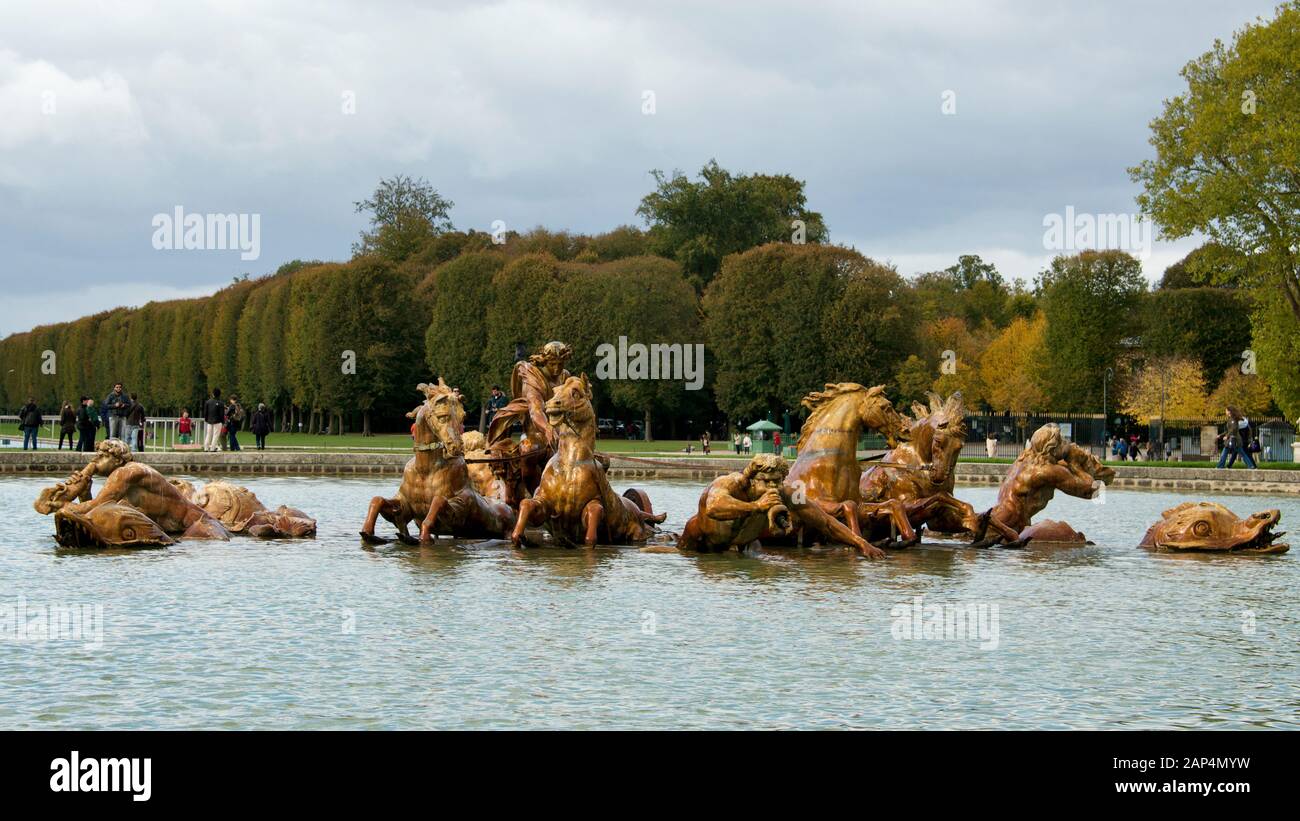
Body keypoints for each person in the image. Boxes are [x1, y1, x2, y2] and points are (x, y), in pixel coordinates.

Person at [1217, 405, 1258, 469]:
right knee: (1227, 453)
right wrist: (1221, 435)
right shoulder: (1230, 419)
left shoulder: (1234, 419)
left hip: (1235, 440)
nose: (1225, 412)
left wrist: (1227, 436)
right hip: (1231, 439)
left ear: (1229, 411)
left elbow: (1234, 429)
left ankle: (1251, 466)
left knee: (1241, 453)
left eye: (1226, 410)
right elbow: (1228, 430)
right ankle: (1220, 466)